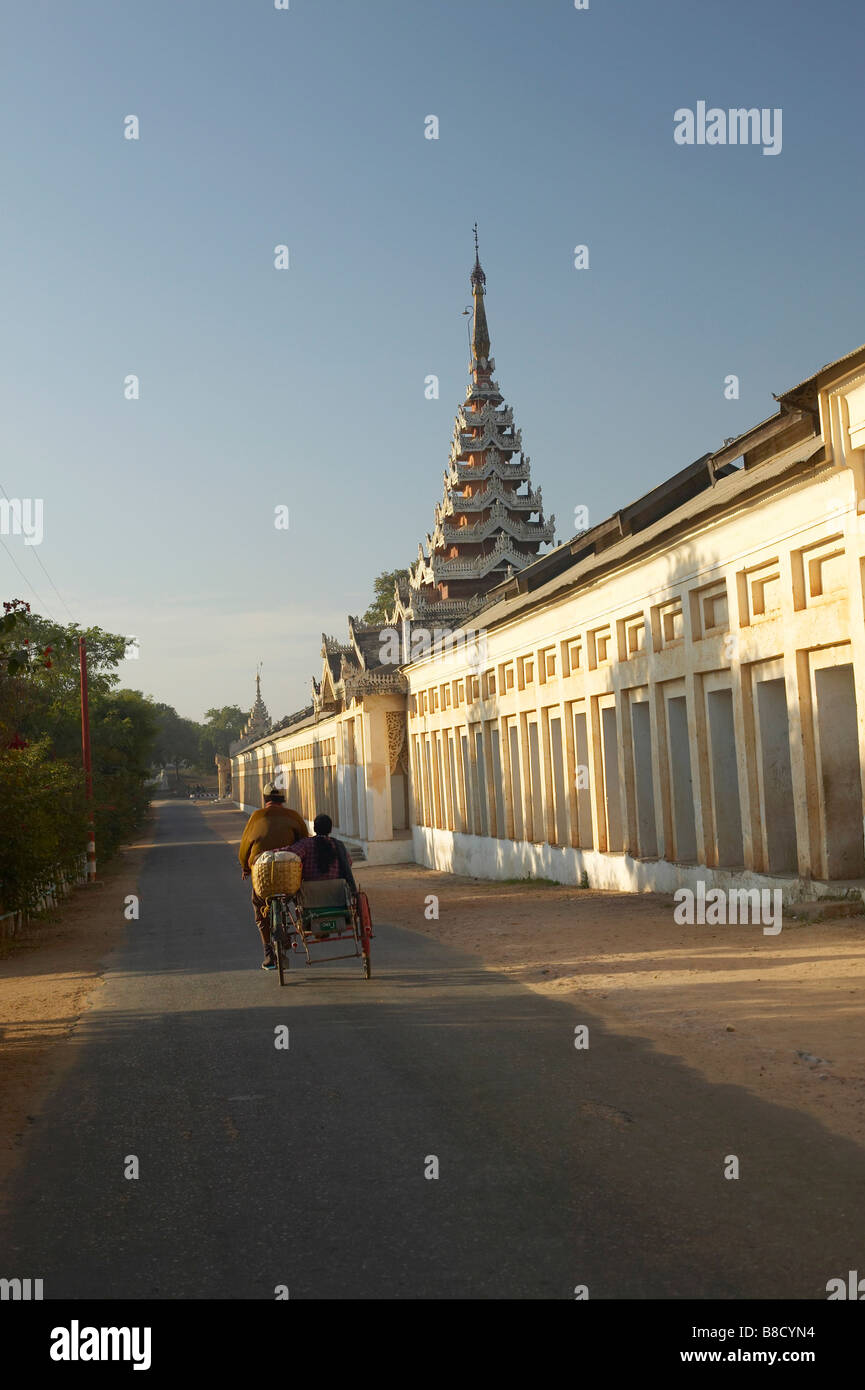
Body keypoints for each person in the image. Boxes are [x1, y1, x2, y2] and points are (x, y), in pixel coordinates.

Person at [238, 781, 308, 969]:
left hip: (262, 873)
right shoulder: (293, 816)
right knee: (298, 896)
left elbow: (244, 848)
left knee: (258, 905)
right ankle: (303, 922)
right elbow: (305, 842)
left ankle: (268, 951)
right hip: (289, 873)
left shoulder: (257, 816)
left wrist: (245, 867)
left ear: (266, 799)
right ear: (281, 799)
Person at [289, 813, 357, 895]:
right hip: (336, 894)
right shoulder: (338, 845)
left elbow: (290, 854)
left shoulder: (305, 844)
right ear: (330, 829)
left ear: (314, 828)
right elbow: (348, 863)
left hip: (310, 894)